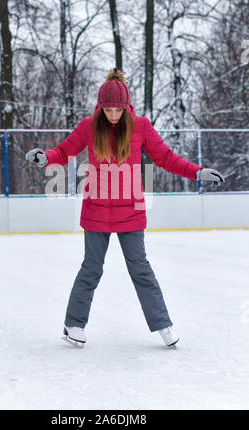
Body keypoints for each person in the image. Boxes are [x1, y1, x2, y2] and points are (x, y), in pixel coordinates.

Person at [26, 68, 225, 349]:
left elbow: (165, 157)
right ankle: (74, 324)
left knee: (141, 269)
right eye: (108, 109)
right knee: (91, 269)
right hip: (96, 209)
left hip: (130, 209)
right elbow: (65, 150)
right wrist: (45, 158)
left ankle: (163, 325)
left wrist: (197, 172)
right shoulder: (89, 126)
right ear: (100, 106)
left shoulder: (140, 125)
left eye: (118, 109)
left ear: (126, 106)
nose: (113, 115)